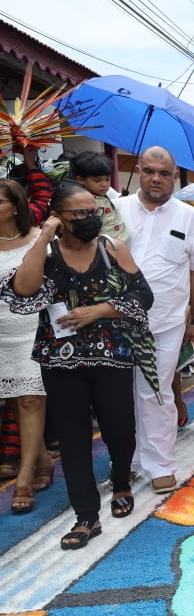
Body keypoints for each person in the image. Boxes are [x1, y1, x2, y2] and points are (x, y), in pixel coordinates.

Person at [3, 185, 154, 548]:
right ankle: (86, 517)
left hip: (111, 355)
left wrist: (98, 311)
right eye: (80, 213)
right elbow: (23, 292)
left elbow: (142, 295)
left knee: (120, 431)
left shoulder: (111, 248)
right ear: (59, 216)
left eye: (94, 211)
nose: (90, 219)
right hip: (60, 361)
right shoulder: (46, 253)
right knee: (72, 441)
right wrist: (42, 240)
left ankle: (120, 481)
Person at [115, 146, 194, 494]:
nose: (157, 178)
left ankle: (159, 465)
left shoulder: (190, 218)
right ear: (139, 171)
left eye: (165, 173)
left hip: (167, 324)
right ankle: (123, 464)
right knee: (117, 397)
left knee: (155, 393)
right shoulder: (117, 210)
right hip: (115, 322)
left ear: (174, 176)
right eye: (150, 171)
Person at [0, 178, 54, 513]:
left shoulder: (39, 240)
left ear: (16, 206)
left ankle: (23, 479)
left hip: (32, 331)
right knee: (13, 402)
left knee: (31, 400)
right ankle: (44, 458)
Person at [69, 150, 128, 244]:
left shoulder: (104, 195)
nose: (104, 184)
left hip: (120, 246)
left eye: (107, 179)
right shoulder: (86, 203)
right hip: (106, 248)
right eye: (97, 180)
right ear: (80, 179)